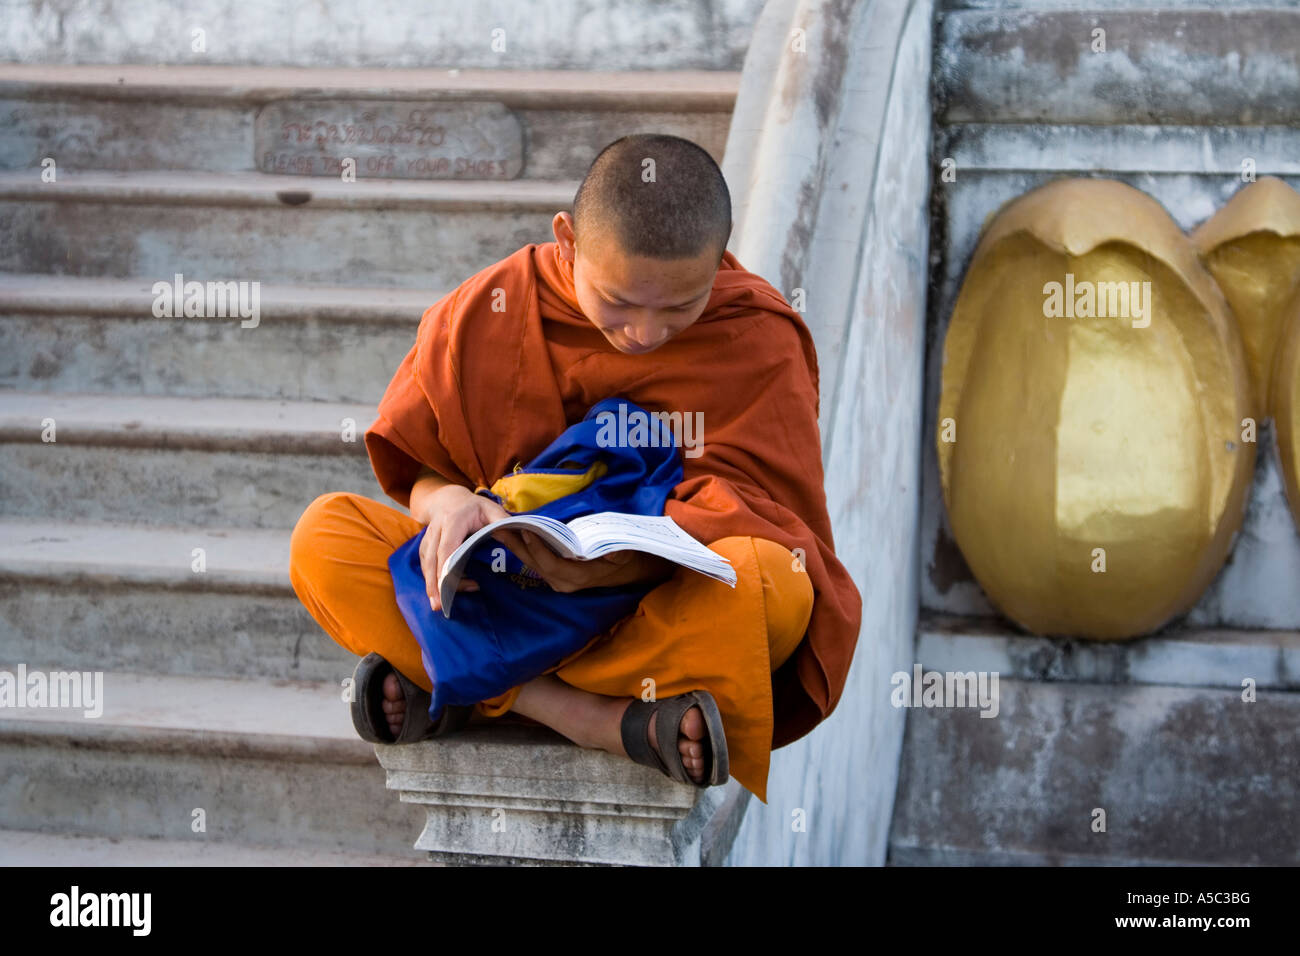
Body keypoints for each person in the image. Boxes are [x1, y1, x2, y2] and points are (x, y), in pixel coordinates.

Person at [289, 133, 862, 803]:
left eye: (681, 307)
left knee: (777, 586)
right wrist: (446, 505)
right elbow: (419, 467)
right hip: (500, 593)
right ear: (567, 239)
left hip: (645, 611)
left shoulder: (754, 333)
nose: (645, 333)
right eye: (618, 300)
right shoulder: (491, 307)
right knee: (324, 539)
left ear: (718, 267)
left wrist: (628, 558)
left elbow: (772, 514)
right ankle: (592, 717)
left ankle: (472, 686)